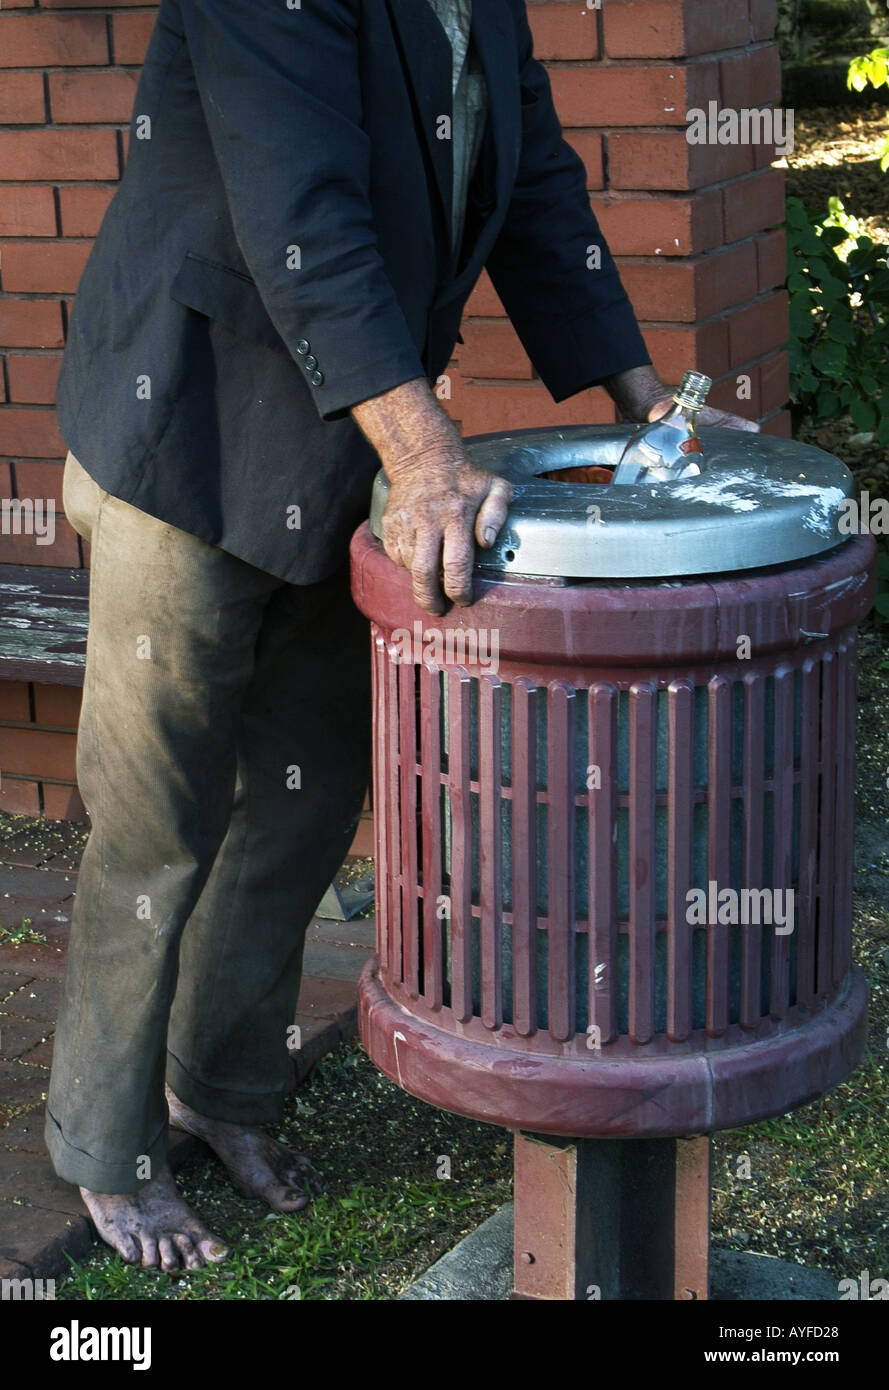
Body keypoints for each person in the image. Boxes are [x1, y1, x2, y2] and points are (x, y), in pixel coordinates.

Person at [48, 0, 757, 1274]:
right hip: (192, 434)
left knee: (308, 794)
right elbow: (302, 212)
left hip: (342, 445)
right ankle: (108, 1151)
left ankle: (220, 1088)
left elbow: (533, 175)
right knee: (159, 812)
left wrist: (642, 396)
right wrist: (426, 450)